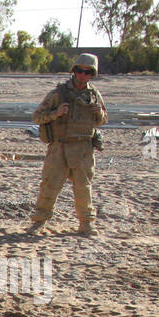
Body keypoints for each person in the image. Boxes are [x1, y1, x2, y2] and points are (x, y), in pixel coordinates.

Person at [28, 53, 107, 236]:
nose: (83, 75)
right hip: (60, 147)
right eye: (80, 71)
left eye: (87, 72)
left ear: (92, 75)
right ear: (74, 71)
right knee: (50, 185)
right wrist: (56, 113)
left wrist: (100, 114)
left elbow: (102, 120)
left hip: (83, 149)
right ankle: (39, 222)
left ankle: (86, 223)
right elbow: (37, 116)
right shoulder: (58, 94)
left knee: (83, 187)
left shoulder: (94, 95)